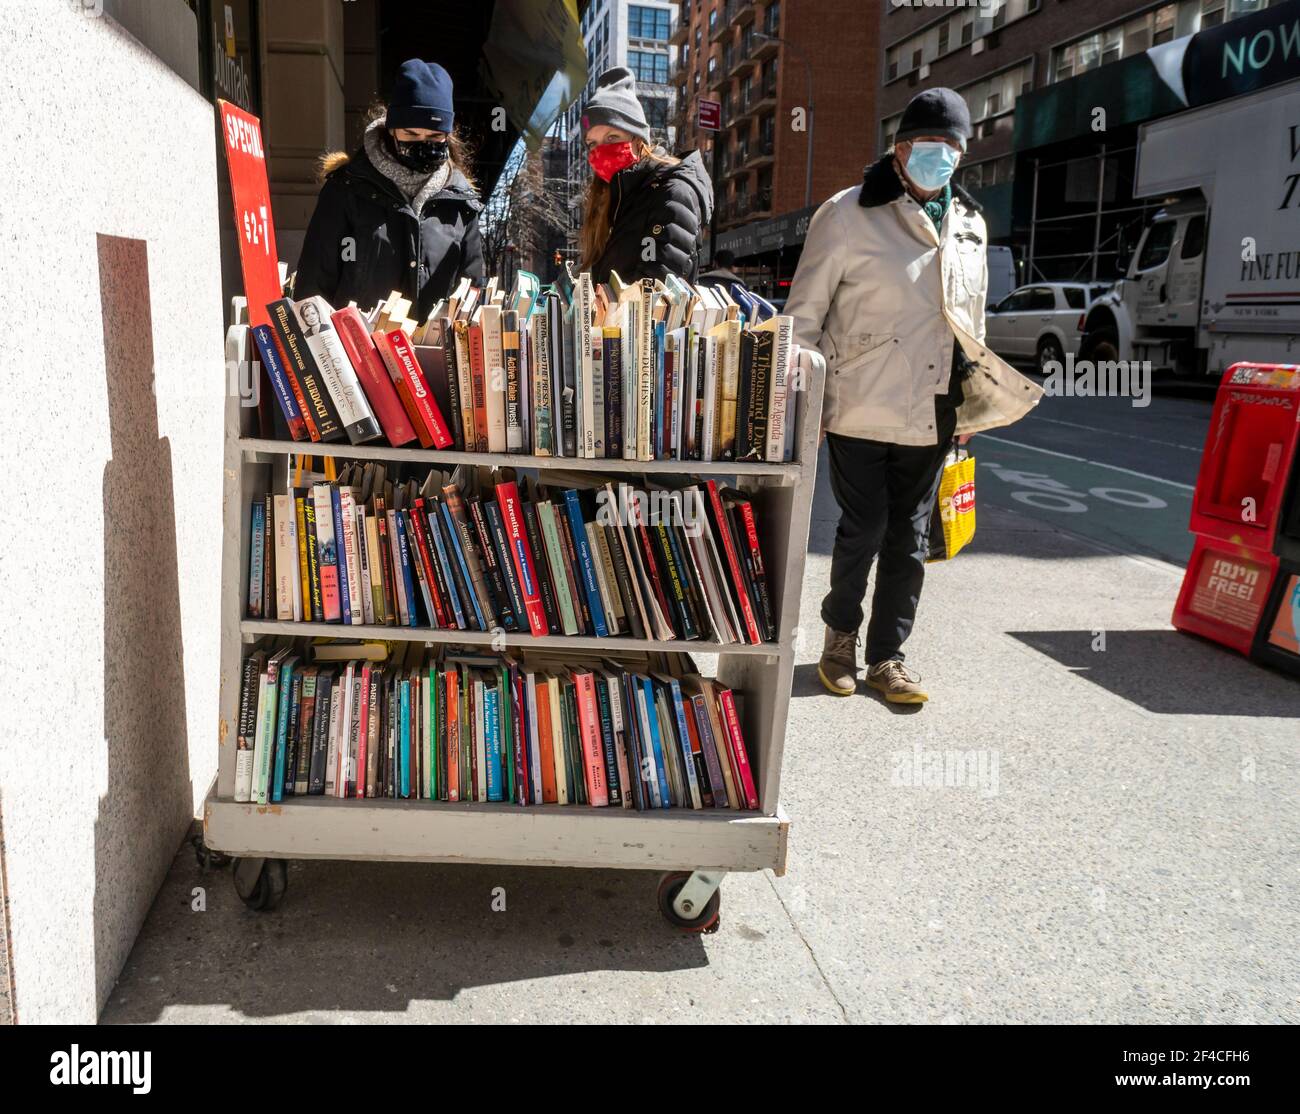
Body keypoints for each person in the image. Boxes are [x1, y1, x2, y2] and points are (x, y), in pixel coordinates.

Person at [785, 88, 1042, 705]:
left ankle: (888, 658)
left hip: (936, 406)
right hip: (859, 403)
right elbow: (801, 320)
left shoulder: (972, 224)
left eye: (952, 145)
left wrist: (974, 405)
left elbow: (970, 326)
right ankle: (839, 638)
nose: (942, 156)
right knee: (865, 526)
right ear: (899, 149)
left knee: (912, 537)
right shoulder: (847, 214)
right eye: (930, 144)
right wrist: (802, 405)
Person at [294, 59, 484, 321]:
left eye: (434, 136)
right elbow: (313, 285)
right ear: (392, 128)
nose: (423, 143)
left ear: (448, 135)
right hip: (357, 355)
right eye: (411, 133)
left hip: (434, 357)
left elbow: (473, 293)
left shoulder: (462, 203)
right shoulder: (346, 189)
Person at [578, 67, 713, 284]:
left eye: (612, 137)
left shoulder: (672, 192)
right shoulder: (615, 197)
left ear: (638, 139)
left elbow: (653, 297)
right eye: (592, 143)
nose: (601, 149)